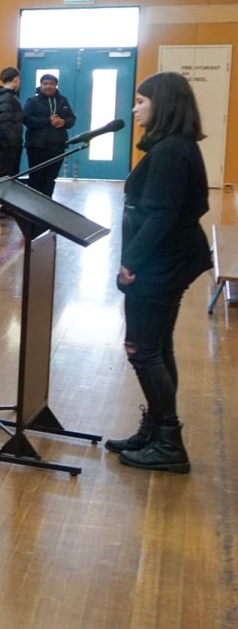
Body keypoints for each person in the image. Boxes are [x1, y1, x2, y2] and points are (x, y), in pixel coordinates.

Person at [109, 72, 210, 473]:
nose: (135, 108)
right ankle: (155, 429)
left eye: (141, 100)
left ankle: (168, 440)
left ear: (162, 104)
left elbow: (161, 216)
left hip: (160, 264)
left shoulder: (171, 152)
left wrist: (130, 262)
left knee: (142, 349)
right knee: (157, 347)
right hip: (170, 260)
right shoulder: (174, 146)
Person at [22, 73, 77, 197]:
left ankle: (47, 205)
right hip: (36, 147)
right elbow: (26, 120)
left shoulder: (63, 100)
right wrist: (48, 121)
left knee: (50, 179)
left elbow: (72, 119)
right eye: (45, 84)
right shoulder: (32, 101)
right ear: (40, 85)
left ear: (56, 86)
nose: (48, 86)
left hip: (57, 147)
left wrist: (63, 122)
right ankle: (32, 207)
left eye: (51, 84)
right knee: (36, 178)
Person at [0, 67, 25, 179]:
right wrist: (14, 141)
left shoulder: (7, 96)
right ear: (16, 80)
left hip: (8, 142)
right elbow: (4, 121)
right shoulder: (7, 98)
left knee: (10, 175)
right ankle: (2, 197)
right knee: (7, 176)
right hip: (7, 143)